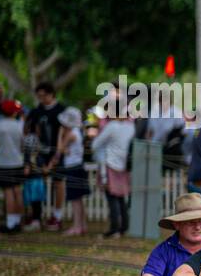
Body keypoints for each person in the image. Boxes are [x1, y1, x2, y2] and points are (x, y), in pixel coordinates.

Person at [26, 82, 67, 229]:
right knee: (36, 182)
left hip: (57, 153)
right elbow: (30, 131)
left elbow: (66, 134)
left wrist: (57, 156)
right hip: (39, 154)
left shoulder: (62, 110)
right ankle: (36, 217)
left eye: (43, 96)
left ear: (51, 94)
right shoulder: (36, 111)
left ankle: (57, 216)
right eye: (39, 96)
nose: (41, 99)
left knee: (58, 183)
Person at [45, 107, 88, 236]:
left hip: (73, 168)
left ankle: (77, 226)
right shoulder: (77, 132)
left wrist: (59, 134)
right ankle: (82, 225)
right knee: (78, 200)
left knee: (75, 200)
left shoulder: (71, 133)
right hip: (78, 167)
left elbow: (60, 149)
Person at [93, 105, 135, 238]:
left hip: (109, 164)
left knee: (112, 198)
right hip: (124, 166)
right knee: (121, 197)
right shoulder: (131, 127)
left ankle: (114, 228)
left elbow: (96, 144)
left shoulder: (112, 126)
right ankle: (124, 227)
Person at [0, 99, 26, 233]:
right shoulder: (19, 125)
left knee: (8, 192)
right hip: (18, 162)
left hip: (3, 163)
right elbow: (23, 146)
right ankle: (19, 221)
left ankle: (10, 223)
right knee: (18, 192)